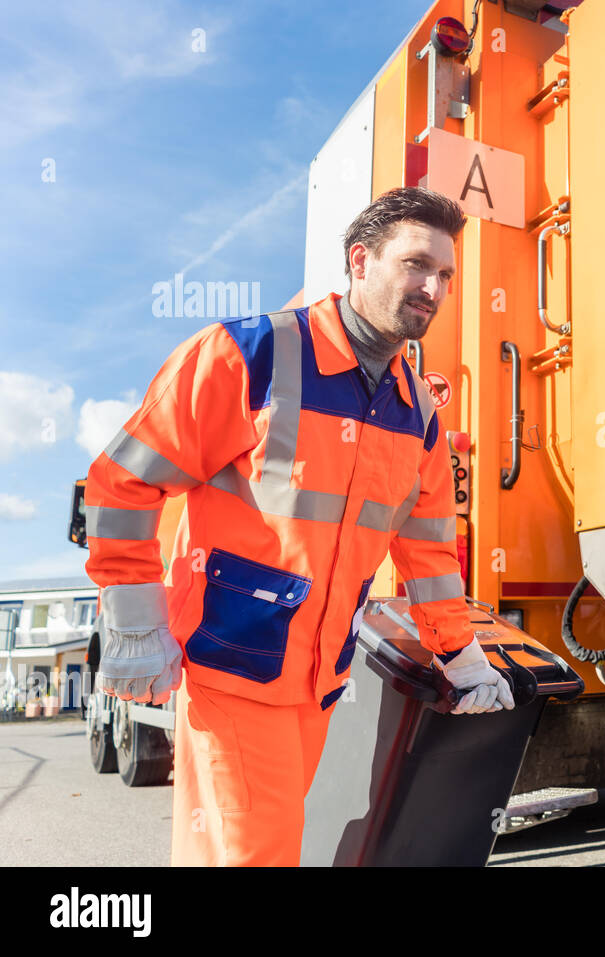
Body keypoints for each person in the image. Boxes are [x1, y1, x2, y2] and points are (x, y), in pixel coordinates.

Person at [84, 187, 514, 866]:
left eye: (446, 275)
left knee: (227, 850)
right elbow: (123, 479)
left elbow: (429, 553)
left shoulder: (419, 414)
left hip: (318, 683)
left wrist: (459, 651)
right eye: (416, 264)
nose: (434, 287)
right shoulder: (249, 355)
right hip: (234, 667)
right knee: (260, 854)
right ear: (360, 260)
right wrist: (135, 619)